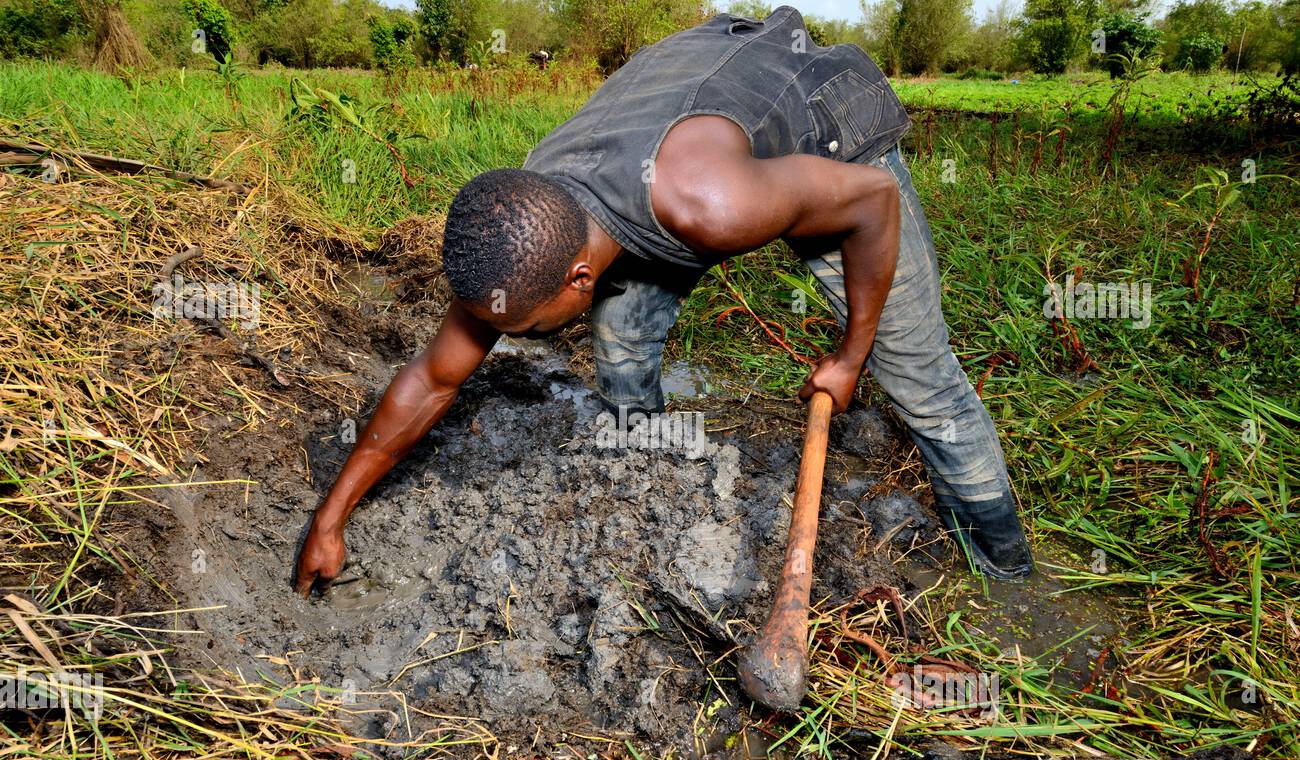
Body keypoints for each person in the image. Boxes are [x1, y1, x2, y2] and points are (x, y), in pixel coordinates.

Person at [295, 7, 1033, 709]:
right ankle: (660, 494)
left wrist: (850, 353)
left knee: (921, 380)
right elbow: (433, 378)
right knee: (619, 355)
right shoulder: (526, 222)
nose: (511, 342)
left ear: (578, 277)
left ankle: (1006, 576)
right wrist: (334, 516)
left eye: (527, 328)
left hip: (821, 122)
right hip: (684, 104)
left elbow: (872, 200)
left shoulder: (713, 204)